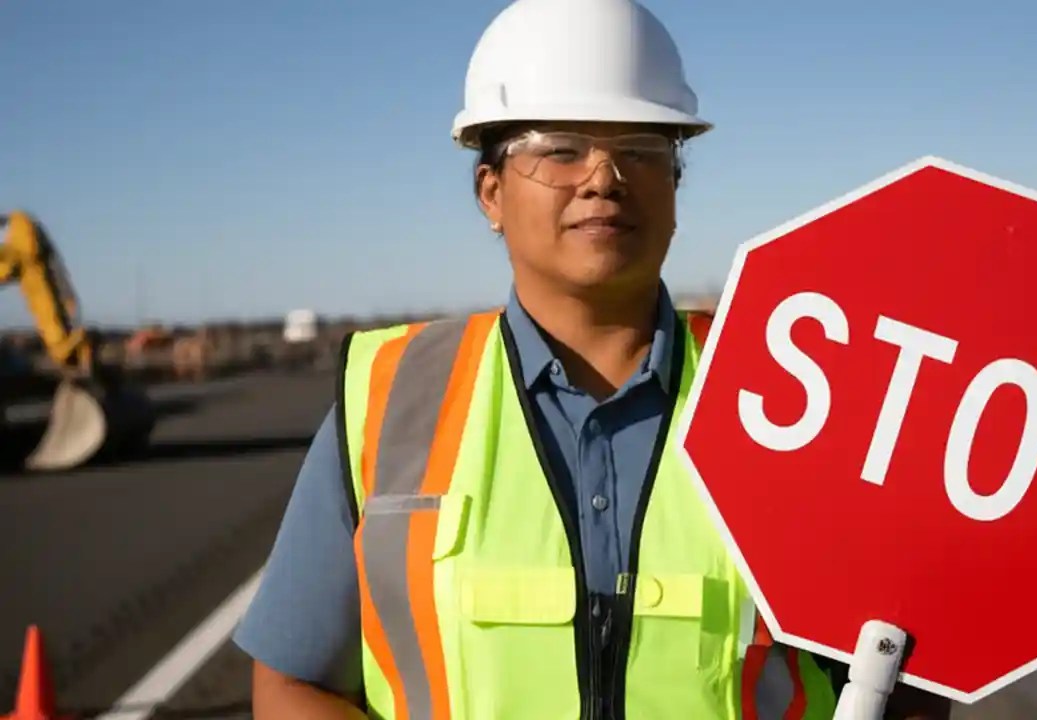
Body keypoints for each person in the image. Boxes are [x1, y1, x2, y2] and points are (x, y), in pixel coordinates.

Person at [232, 0, 952, 718]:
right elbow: (294, 684)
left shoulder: (792, 397)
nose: (604, 177)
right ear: (491, 193)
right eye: (561, 146)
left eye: (642, 148)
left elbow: (906, 683)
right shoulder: (389, 401)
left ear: (675, 186)